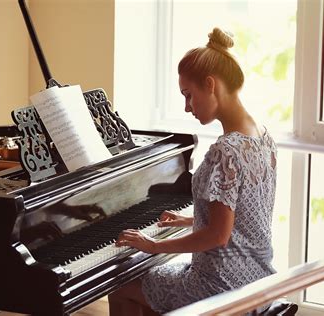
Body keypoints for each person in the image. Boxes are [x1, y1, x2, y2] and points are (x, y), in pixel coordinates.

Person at [109, 27, 278, 315]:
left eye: (189, 95)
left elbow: (217, 236)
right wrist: (191, 219)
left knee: (120, 287)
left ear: (210, 85)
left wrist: (153, 245)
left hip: (220, 287)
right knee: (150, 287)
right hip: (257, 278)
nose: (187, 107)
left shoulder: (226, 151)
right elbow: (242, 216)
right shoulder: (263, 137)